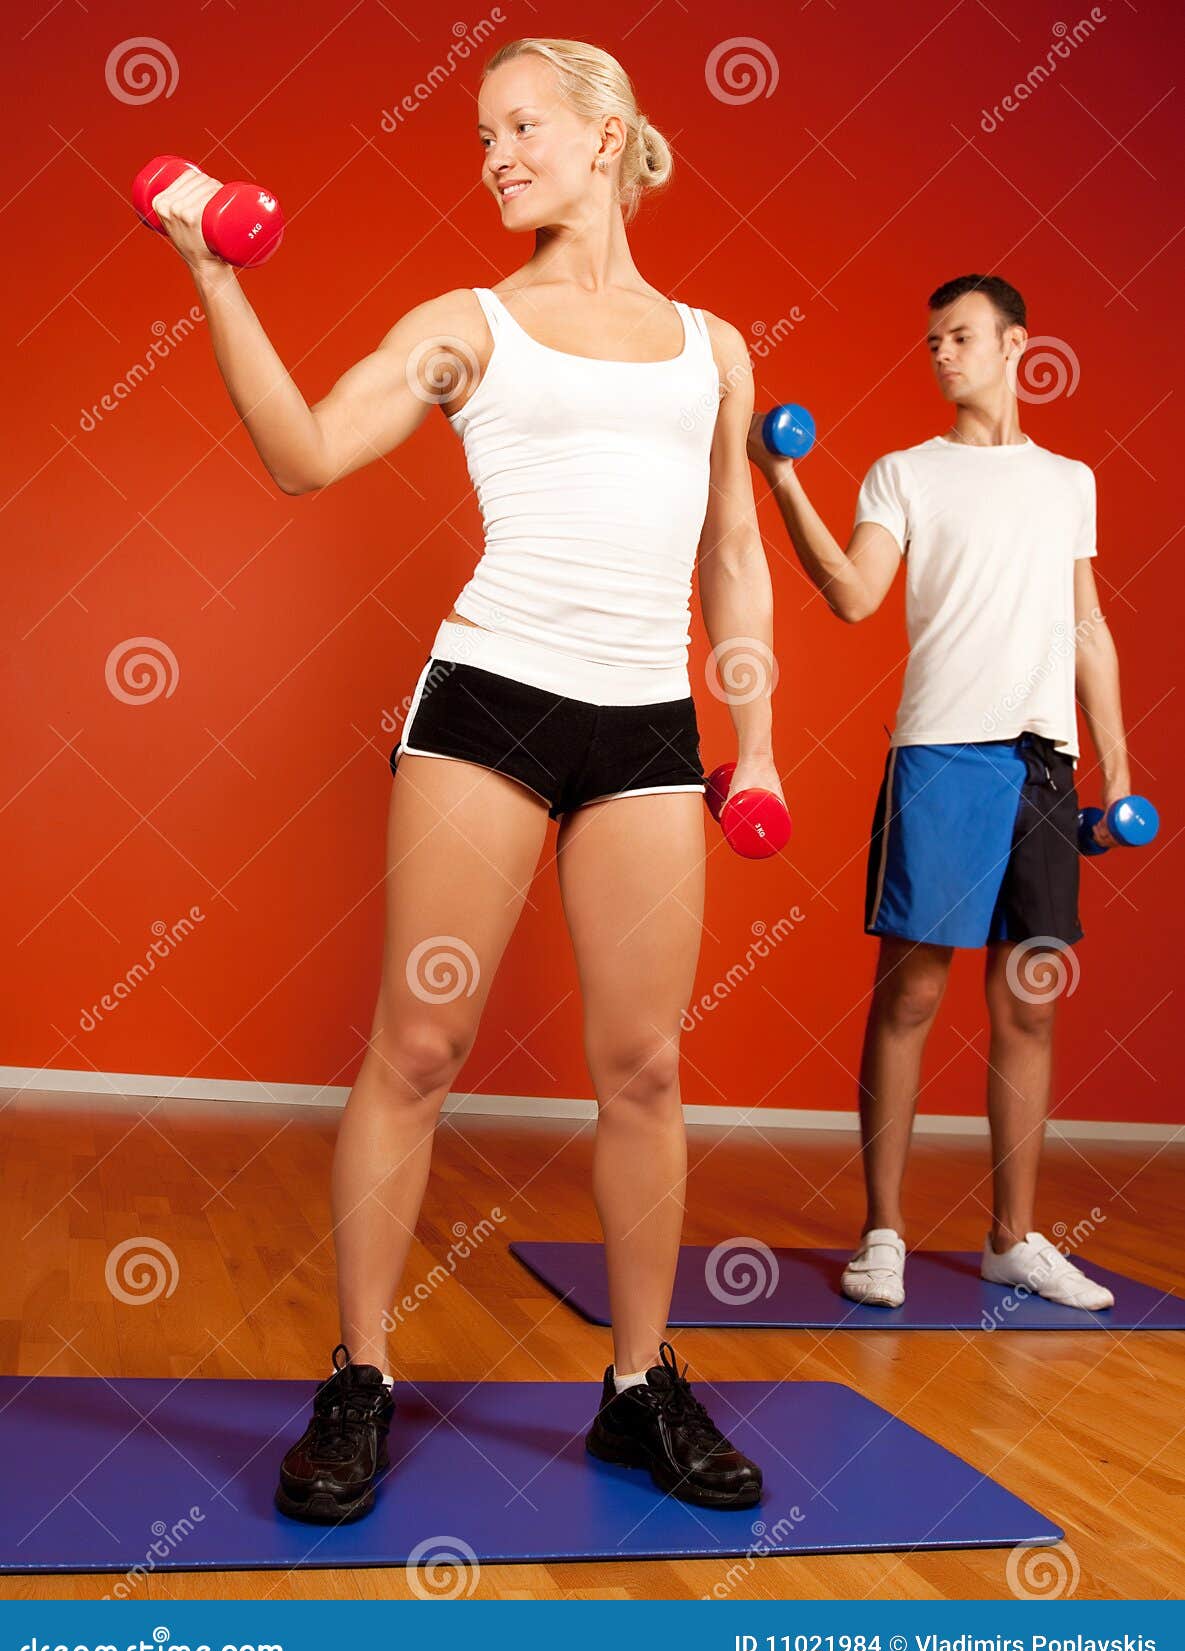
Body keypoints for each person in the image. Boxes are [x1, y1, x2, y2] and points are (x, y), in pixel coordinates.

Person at [148, 36, 781, 1523]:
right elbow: (305, 453)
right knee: (420, 1044)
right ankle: (361, 1376)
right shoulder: (468, 327)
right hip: (491, 701)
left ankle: (637, 1386)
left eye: (522, 127)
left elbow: (733, 551)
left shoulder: (712, 345)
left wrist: (754, 739)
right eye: (482, 135)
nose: (495, 157)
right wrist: (214, 276)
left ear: (607, 134)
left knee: (645, 1067)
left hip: (646, 725)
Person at [748, 275, 1129, 1314]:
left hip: (1044, 763)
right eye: (933, 342)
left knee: (1029, 1003)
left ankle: (1014, 1239)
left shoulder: (1068, 481)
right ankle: (883, 1235)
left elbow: (1087, 625)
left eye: (960, 336)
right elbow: (853, 595)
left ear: (1015, 343)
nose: (942, 354)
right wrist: (784, 480)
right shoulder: (904, 472)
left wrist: (1119, 768)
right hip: (943, 755)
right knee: (911, 995)